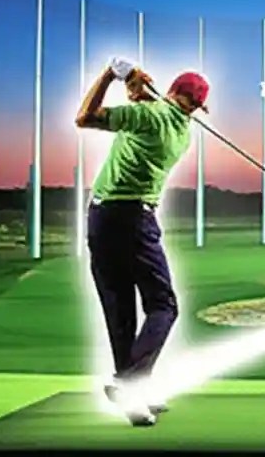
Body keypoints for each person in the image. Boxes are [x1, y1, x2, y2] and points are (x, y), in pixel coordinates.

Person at [74, 56, 209, 427]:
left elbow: (84, 117)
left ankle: (130, 389)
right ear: (196, 106)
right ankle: (131, 384)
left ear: (171, 91)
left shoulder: (148, 117)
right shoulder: (182, 132)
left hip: (101, 218)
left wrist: (111, 75)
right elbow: (158, 115)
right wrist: (138, 91)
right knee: (162, 305)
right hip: (135, 220)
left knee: (120, 307)